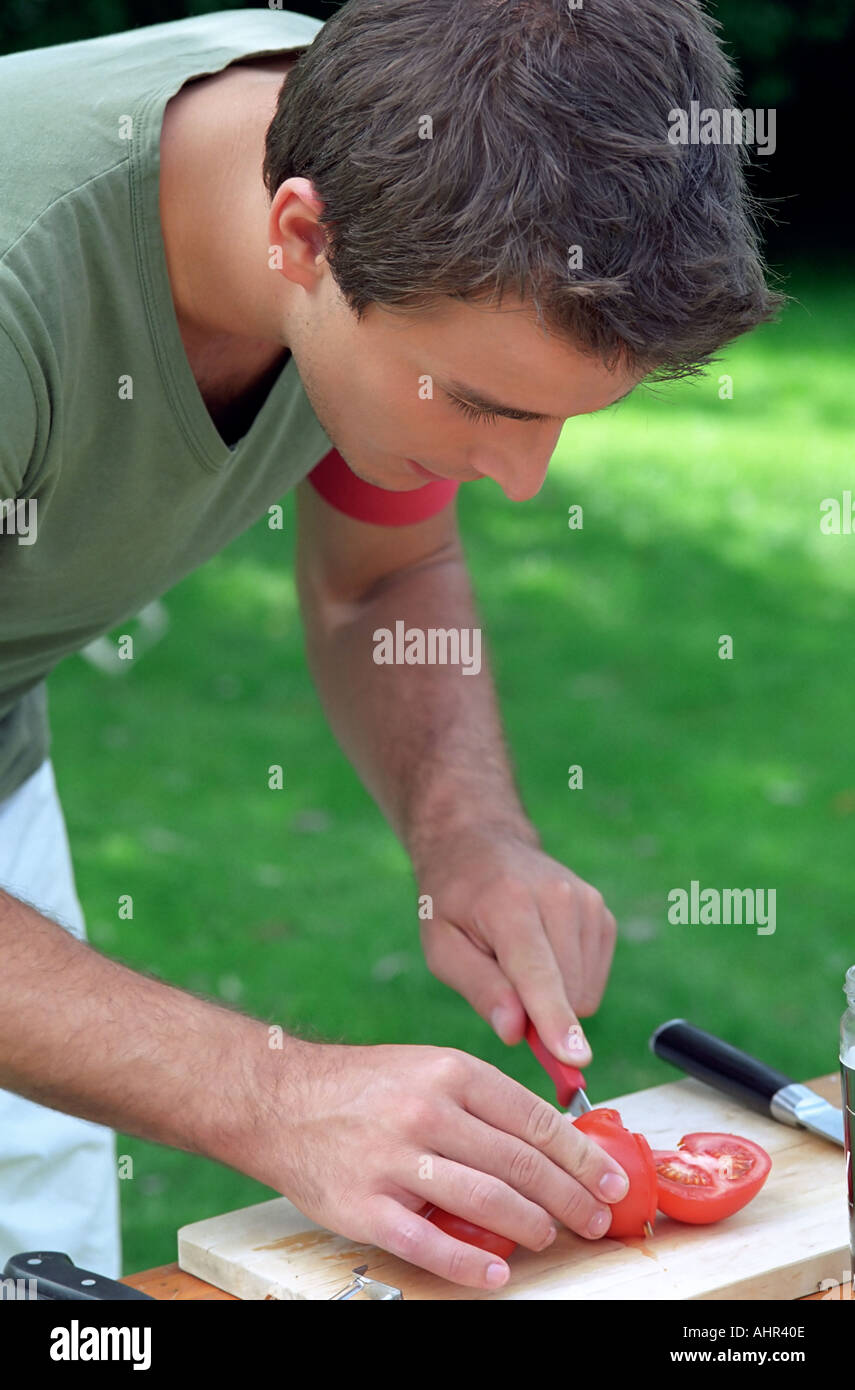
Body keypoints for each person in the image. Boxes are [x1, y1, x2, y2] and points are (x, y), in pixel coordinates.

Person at [0, 0, 781, 1291]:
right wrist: (270, 1089)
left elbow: (386, 571)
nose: (520, 481)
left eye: (558, 422)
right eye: (481, 405)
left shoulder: (412, 163)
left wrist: (465, 825)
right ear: (301, 235)